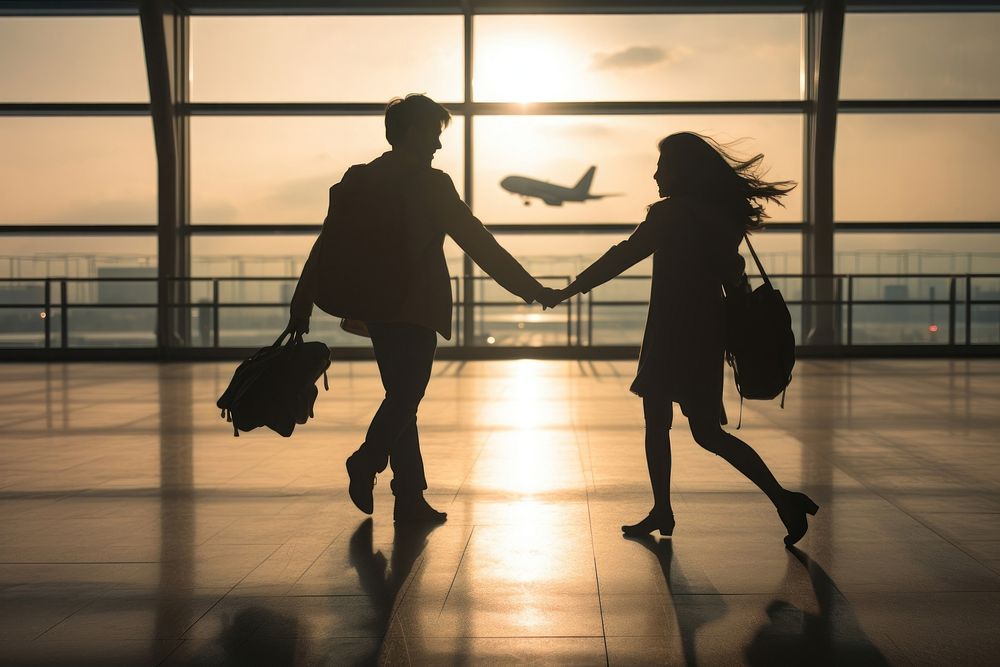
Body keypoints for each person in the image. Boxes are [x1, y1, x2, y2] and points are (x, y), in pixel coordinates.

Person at [538, 132, 818, 546]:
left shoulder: (670, 215)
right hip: (704, 332)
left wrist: (568, 289)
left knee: (658, 423)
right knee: (706, 433)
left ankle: (672, 508)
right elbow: (731, 277)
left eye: (662, 166)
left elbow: (624, 254)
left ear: (681, 171)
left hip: (671, 330)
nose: (654, 174)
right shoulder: (722, 217)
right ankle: (774, 500)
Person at [285, 94, 543, 524]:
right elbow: (479, 242)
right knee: (406, 396)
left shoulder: (359, 178)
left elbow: (327, 242)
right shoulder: (432, 185)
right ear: (412, 132)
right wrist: (529, 288)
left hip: (378, 307)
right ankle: (366, 461)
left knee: (401, 398)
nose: (437, 146)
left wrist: (302, 299)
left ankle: (408, 496)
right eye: (433, 134)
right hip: (417, 305)